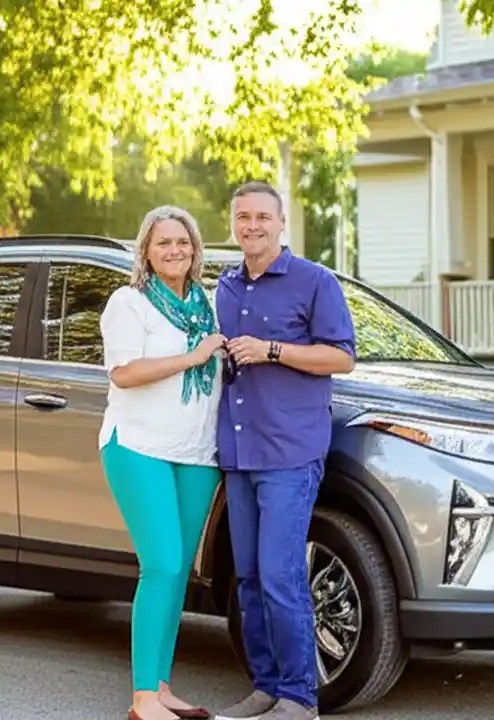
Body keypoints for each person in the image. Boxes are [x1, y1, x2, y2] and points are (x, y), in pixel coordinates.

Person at [213, 182, 357, 720]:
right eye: (242, 216)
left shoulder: (314, 282)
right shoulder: (225, 287)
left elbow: (342, 359)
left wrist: (271, 350)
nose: (252, 226)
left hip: (290, 454)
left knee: (279, 575)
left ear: (281, 223)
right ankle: (266, 687)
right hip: (238, 452)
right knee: (247, 578)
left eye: (262, 217)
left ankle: (300, 698)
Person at [98, 205, 227, 720]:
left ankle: (162, 685)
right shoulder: (128, 303)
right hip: (138, 447)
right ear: (146, 252)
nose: (174, 250)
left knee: (179, 575)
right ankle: (143, 698)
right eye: (163, 242)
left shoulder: (208, 305)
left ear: (195, 250)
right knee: (162, 564)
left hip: (196, 453)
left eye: (183, 242)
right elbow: (124, 374)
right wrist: (193, 357)